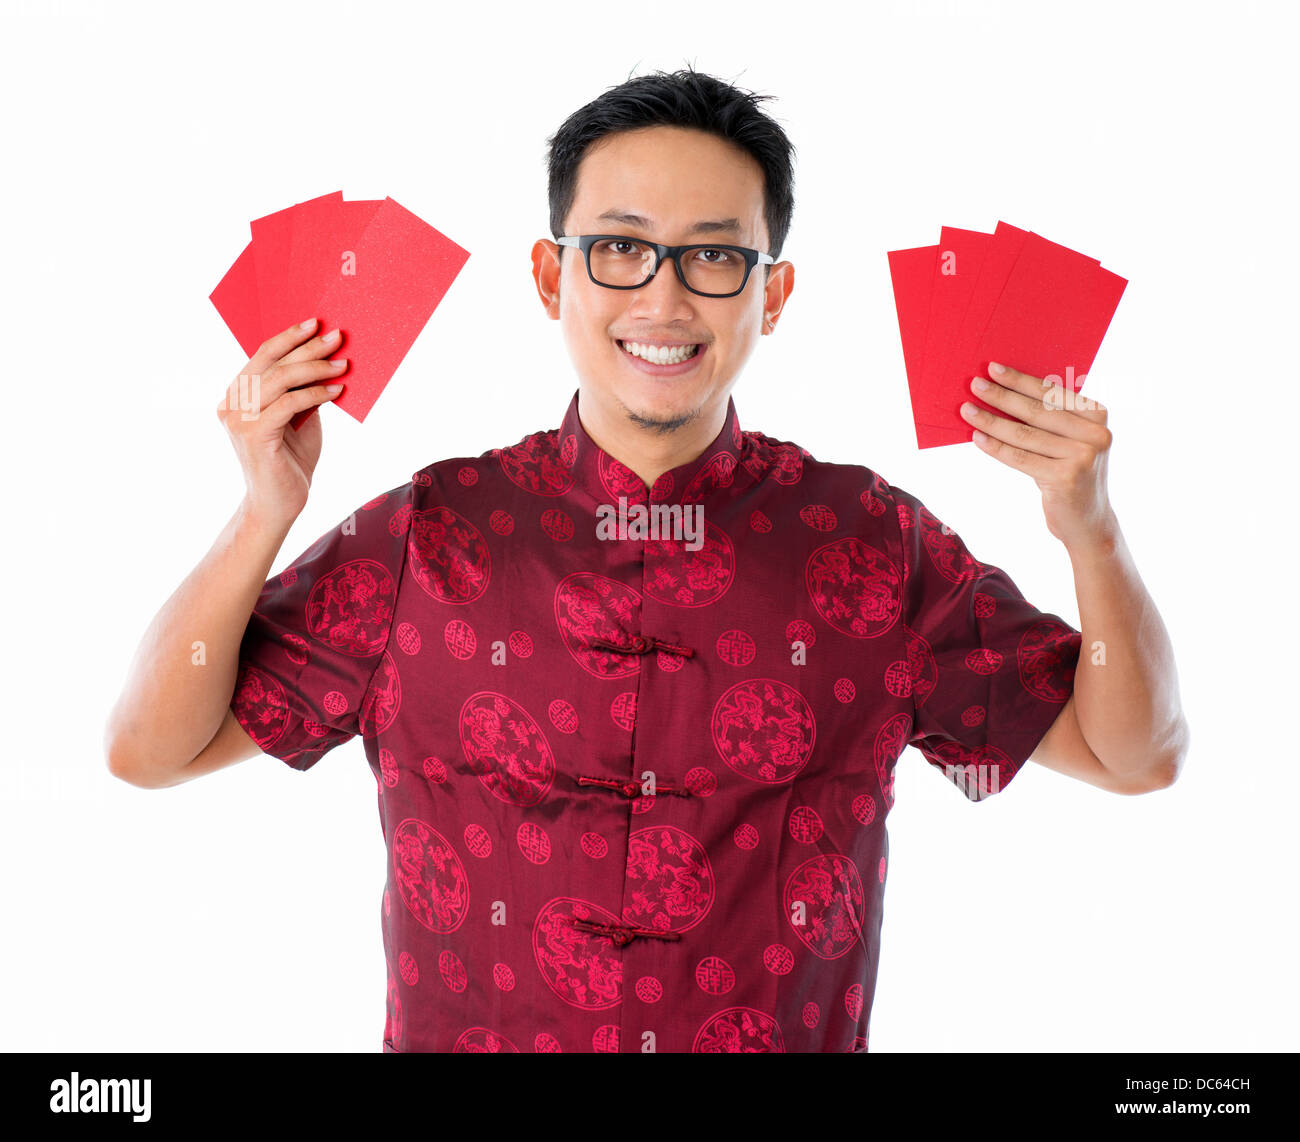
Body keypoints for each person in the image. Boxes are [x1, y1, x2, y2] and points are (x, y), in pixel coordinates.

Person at [104, 66, 1189, 1053]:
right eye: (618, 247)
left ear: (771, 292)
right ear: (549, 274)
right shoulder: (426, 533)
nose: (662, 300)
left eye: (715, 255)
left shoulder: (870, 544)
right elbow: (150, 749)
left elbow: (1134, 753)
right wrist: (264, 511)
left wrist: (1087, 524)